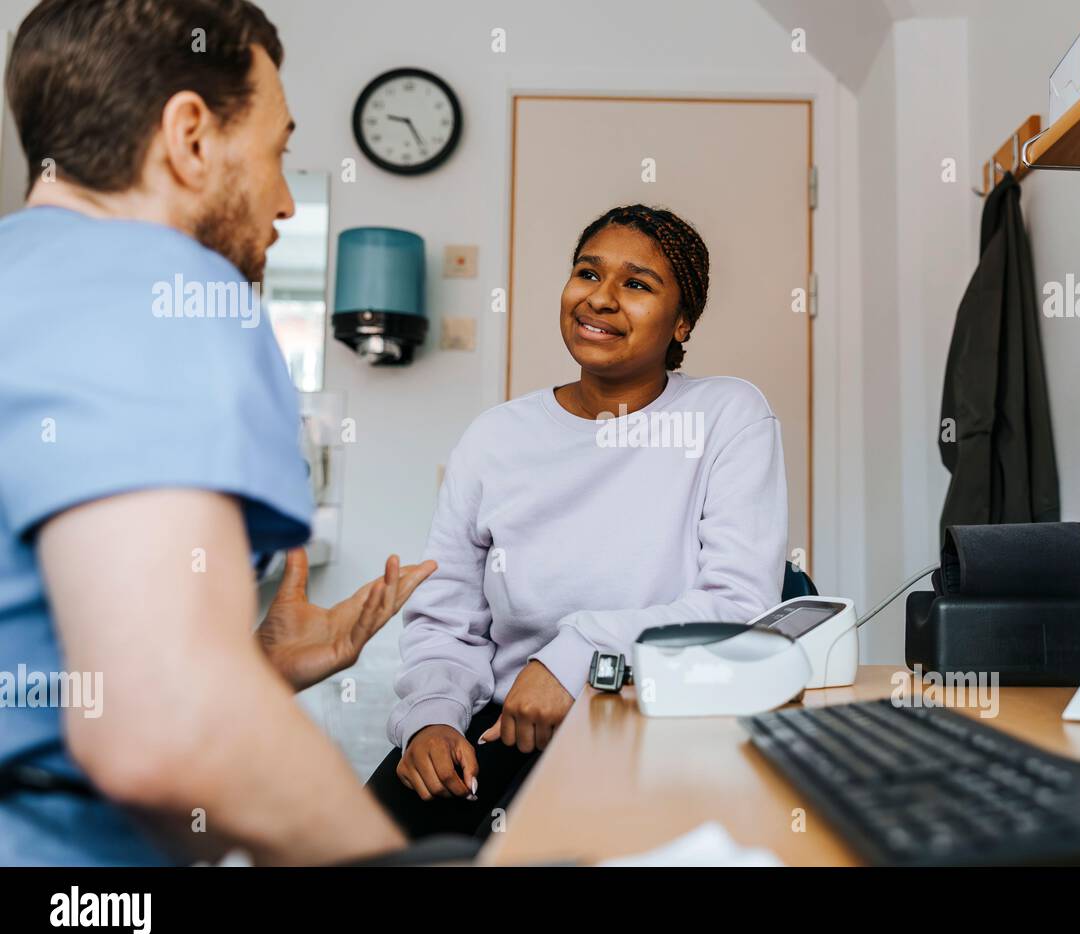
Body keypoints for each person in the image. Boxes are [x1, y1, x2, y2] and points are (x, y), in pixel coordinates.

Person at [0, 0, 432, 865]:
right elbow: (162, 731)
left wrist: (246, 676)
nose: (283, 203)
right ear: (190, 136)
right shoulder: (166, 286)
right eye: (276, 153)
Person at [367, 204, 788, 840]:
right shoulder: (496, 437)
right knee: (363, 845)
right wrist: (432, 716)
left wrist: (577, 654)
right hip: (503, 729)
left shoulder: (728, 414)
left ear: (682, 324)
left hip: (658, 726)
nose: (601, 300)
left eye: (638, 284)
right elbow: (448, 619)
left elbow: (739, 602)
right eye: (587, 273)